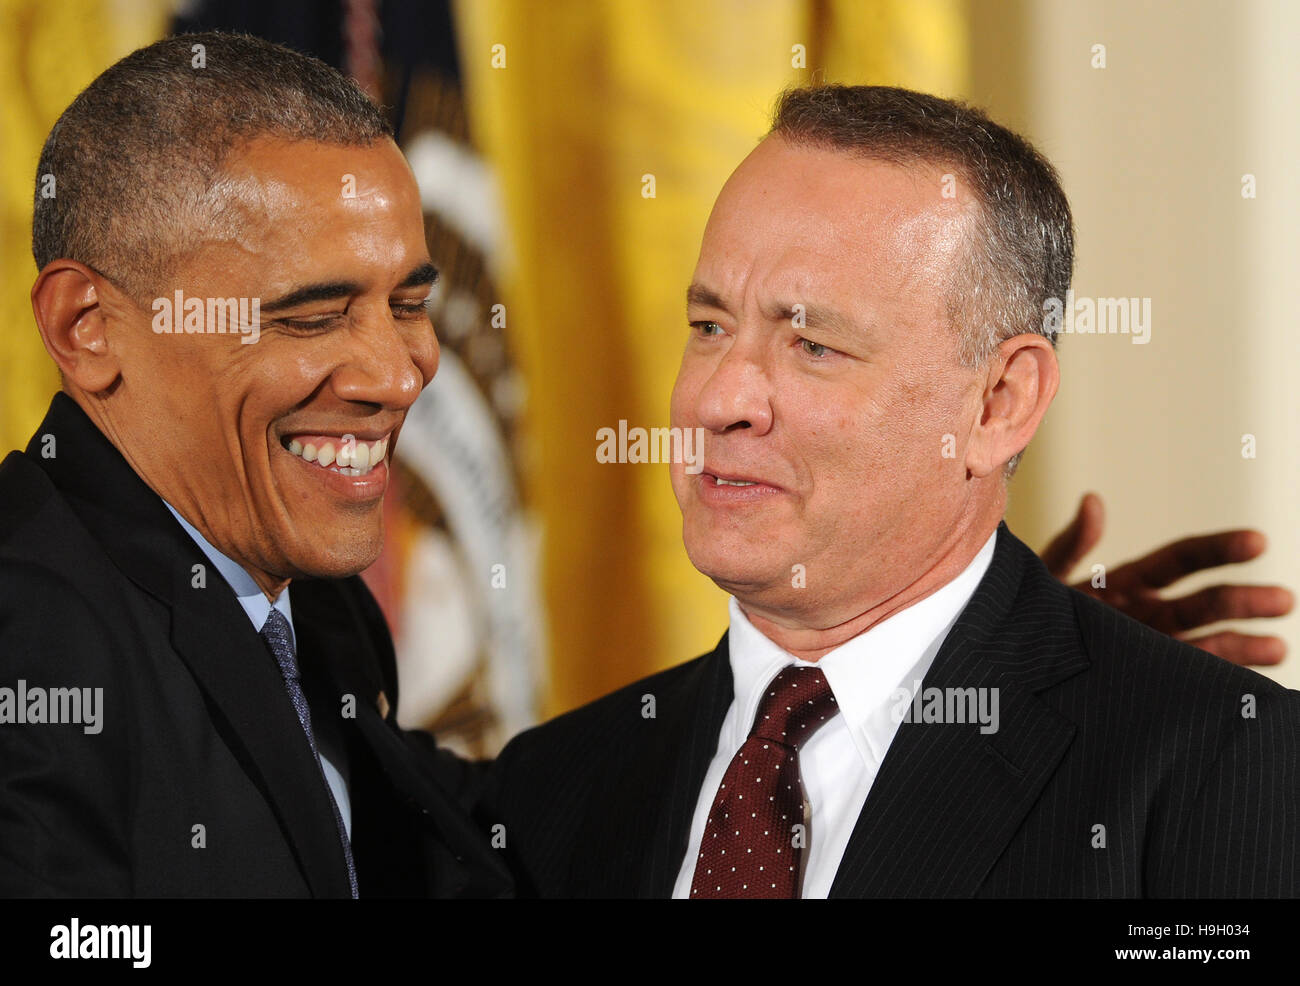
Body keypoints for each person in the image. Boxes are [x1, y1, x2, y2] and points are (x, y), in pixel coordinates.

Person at [482, 84, 1300, 898]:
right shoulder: (550, 789)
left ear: (998, 403)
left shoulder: (1221, 772)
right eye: (710, 328)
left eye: (812, 344)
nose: (721, 400)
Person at [0, 32, 508, 897]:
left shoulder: (311, 601)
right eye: (312, 318)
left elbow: (454, 829)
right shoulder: (28, 639)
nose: (396, 376)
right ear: (89, 327)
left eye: (411, 304)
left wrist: (768, 691)